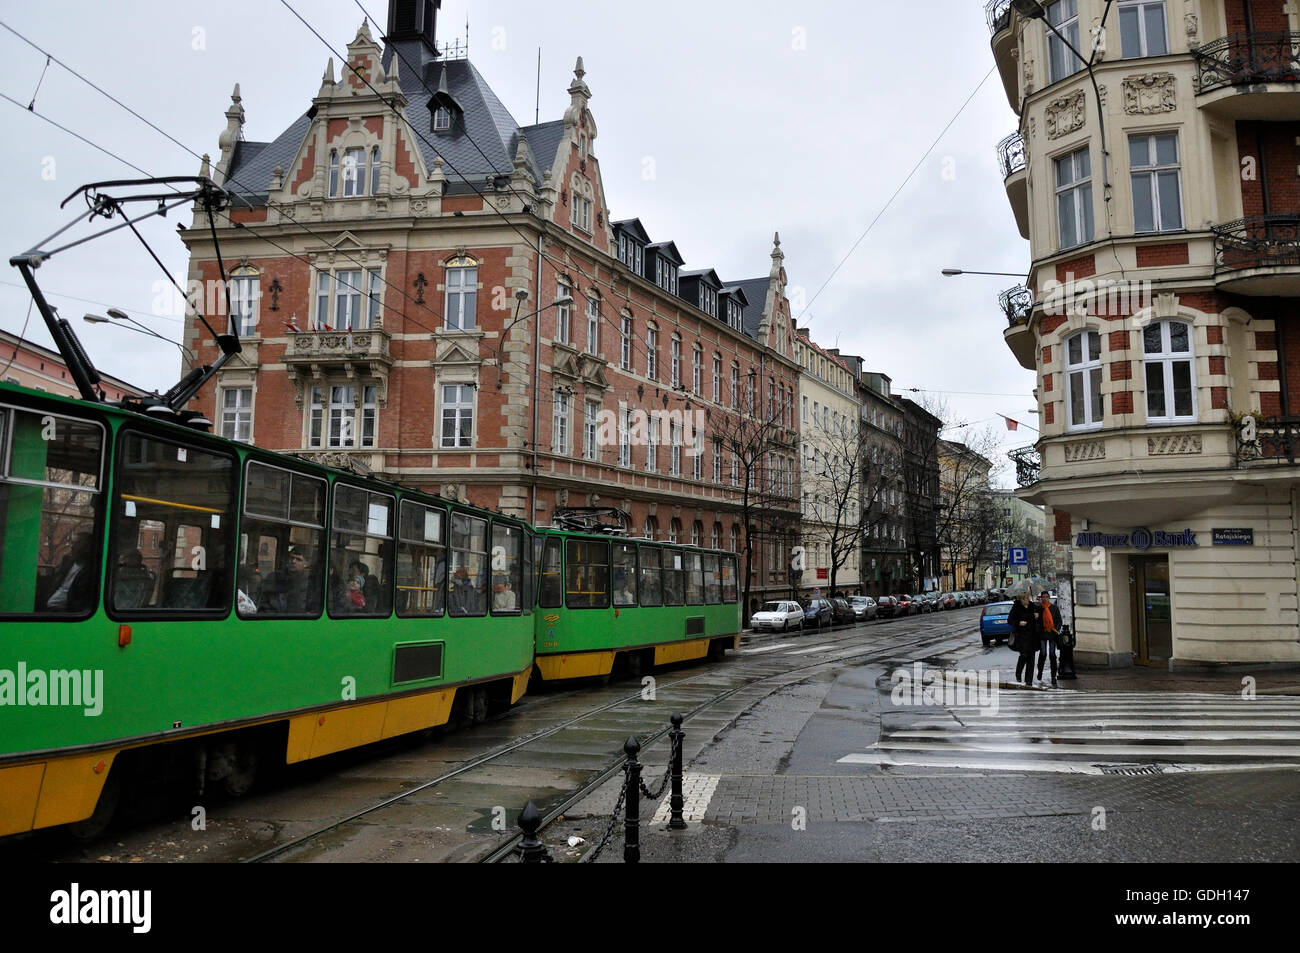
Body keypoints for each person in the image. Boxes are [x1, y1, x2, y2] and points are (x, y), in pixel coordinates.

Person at [43, 532, 97, 612]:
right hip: (51, 602)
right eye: (72, 543)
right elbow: (55, 579)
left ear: (86, 547)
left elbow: (80, 598)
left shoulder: (90, 570)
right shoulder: (67, 561)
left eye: (76, 544)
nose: (72, 547)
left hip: (65, 609)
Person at [258, 545, 318, 614]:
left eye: (299, 559)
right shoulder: (274, 577)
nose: (293, 561)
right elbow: (264, 602)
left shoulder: (310, 582)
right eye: (291, 558)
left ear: (306, 564)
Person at [1007, 590, 1038, 688]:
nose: (1027, 600)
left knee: (1031, 659)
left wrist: (1037, 616)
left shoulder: (1033, 606)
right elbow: (1010, 620)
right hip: (1021, 636)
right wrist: (1018, 623)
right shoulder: (1016, 607)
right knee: (1024, 656)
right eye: (1025, 599)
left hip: (1032, 636)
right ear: (1021, 599)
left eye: (1028, 598)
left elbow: (1036, 619)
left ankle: (1029, 680)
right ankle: (1018, 673)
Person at [1037, 591, 1060, 686]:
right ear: (1041, 598)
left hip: (1052, 633)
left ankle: (1053, 676)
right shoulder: (1039, 608)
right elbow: (1036, 621)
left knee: (1052, 654)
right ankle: (1040, 671)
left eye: (1047, 597)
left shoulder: (1054, 608)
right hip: (1043, 633)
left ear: (1049, 598)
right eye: (1043, 597)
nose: (1045, 598)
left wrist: (1056, 630)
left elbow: (1059, 620)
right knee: (1043, 653)